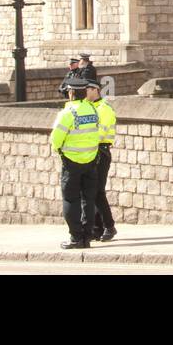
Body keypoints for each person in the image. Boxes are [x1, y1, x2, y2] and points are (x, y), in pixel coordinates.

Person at [51, 77, 101, 249]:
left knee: (71, 200)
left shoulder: (67, 113)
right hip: (91, 161)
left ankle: (76, 237)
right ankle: (87, 237)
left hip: (71, 162)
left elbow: (56, 139)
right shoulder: (93, 110)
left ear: (71, 92)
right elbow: (96, 134)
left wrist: (59, 150)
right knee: (88, 199)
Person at [87, 77, 118, 242]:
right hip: (91, 151)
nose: (84, 93)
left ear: (94, 90)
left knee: (98, 191)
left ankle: (109, 226)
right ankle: (96, 228)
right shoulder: (89, 107)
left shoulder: (104, 109)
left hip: (101, 151)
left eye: (86, 89)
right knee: (91, 191)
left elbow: (100, 133)